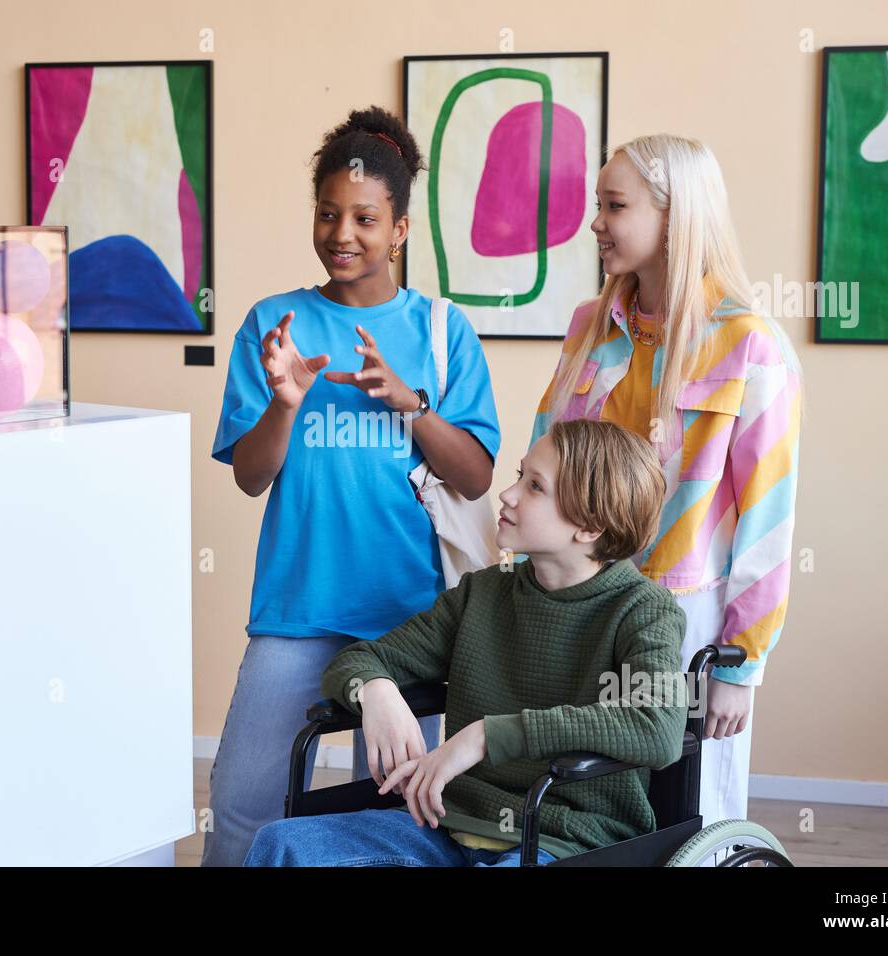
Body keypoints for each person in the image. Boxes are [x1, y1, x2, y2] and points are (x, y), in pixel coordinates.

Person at [201, 105, 501, 867]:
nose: (343, 233)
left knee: (408, 816)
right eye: (329, 214)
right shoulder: (275, 322)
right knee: (243, 806)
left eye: (365, 218)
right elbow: (249, 476)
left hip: (412, 623)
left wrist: (412, 405)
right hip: (299, 609)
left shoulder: (442, 330)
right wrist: (284, 403)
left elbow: (474, 478)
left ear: (399, 229)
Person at [245, 420, 688, 866]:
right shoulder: (483, 594)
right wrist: (376, 690)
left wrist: (485, 736)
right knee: (280, 845)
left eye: (535, 486)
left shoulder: (642, 609)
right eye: (519, 475)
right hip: (448, 823)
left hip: (563, 838)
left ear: (590, 525)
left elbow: (658, 726)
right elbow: (360, 659)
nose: (507, 494)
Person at [531, 133, 805, 826]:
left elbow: (768, 520)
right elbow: (546, 458)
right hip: (576, 606)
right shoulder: (588, 327)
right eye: (598, 204)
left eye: (614, 205)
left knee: (689, 816)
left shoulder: (751, 345)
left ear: (675, 216)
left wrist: (738, 667)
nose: (595, 221)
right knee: (583, 808)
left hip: (682, 623)